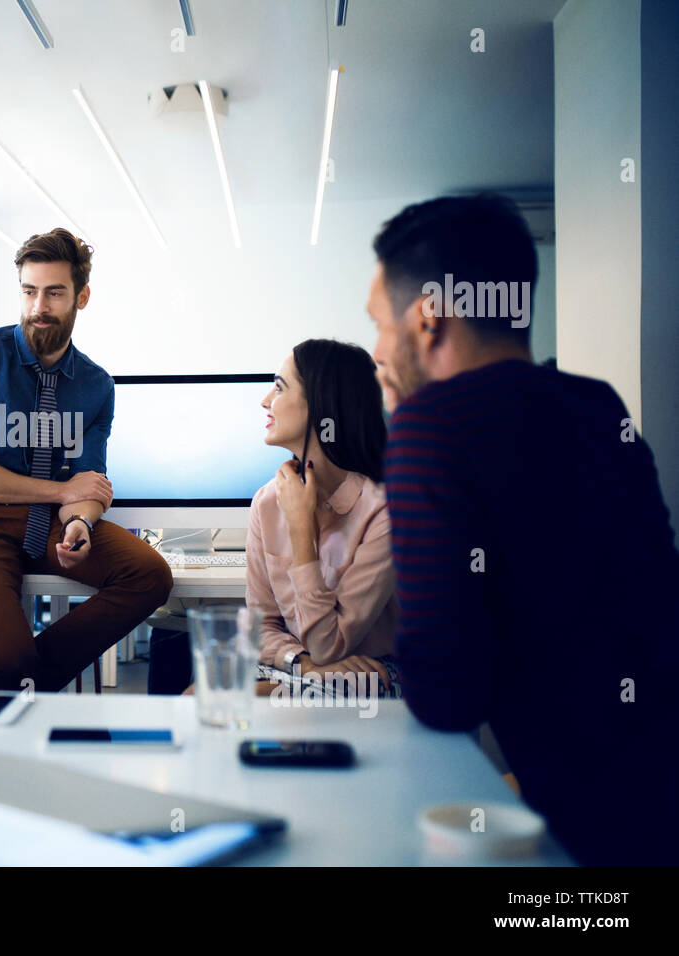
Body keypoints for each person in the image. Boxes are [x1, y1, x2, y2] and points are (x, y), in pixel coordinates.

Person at [367, 193, 679, 865]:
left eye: (380, 323)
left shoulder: (429, 427)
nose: (377, 349)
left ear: (428, 319)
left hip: (582, 844)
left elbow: (446, 695)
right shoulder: (598, 406)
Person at [0, 227, 172, 692]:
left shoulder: (95, 385)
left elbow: (88, 482)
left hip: (45, 522)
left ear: (82, 297)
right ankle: (19, 675)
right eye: (29, 291)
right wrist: (62, 493)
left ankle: (22, 677)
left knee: (149, 575)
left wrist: (80, 523)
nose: (39, 307)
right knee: (12, 661)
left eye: (54, 293)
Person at [250, 339, 398, 692]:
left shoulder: (385, 511)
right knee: (203, 695)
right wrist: (303, 665)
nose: (266, 400)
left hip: (373, 672)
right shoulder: (267, 501)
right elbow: (259, 626)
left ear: (322, 402)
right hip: (303, 667)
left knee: (257, 697)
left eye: (280, 387)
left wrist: (302, 531)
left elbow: (328, 644)